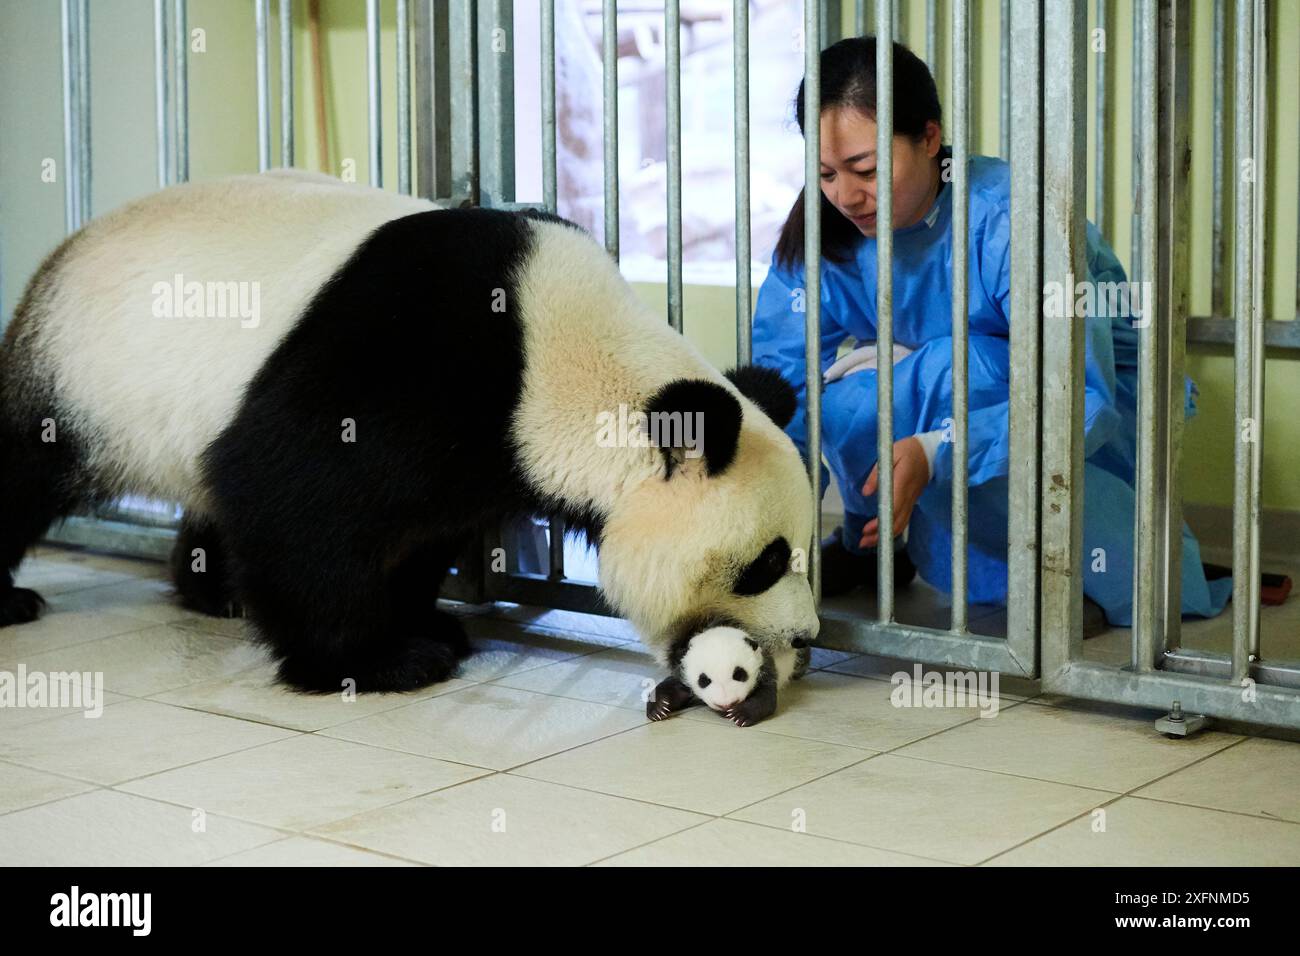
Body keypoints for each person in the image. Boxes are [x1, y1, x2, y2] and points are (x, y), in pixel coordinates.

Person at [751, 36, 1230, 626]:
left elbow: (1084, 395)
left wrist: (938, 447)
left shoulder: (1013, 220)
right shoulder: (825, 230)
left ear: (930, 138)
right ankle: (871, 544)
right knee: (842, 397)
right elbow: (783, 386)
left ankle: (1076, 570)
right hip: (960, 404)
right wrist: (772, 532)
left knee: (954, 370)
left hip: (1092, 424)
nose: (845, 195)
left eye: (866, 169)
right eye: (824, 173)